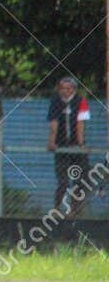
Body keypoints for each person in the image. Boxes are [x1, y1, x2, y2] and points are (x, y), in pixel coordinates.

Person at [47, 76, 92, 215]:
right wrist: (52, 141)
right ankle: (56, 209)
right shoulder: (55, 102)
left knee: (80, 181)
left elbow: (80, 124)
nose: (64, 91)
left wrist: (80, 144)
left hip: (76, 147)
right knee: (63, 182)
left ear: (73, 89)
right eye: (62, 88)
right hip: (61, 147)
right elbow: (54, 122)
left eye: (68, 88)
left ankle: (75, 211)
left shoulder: (82, 102)